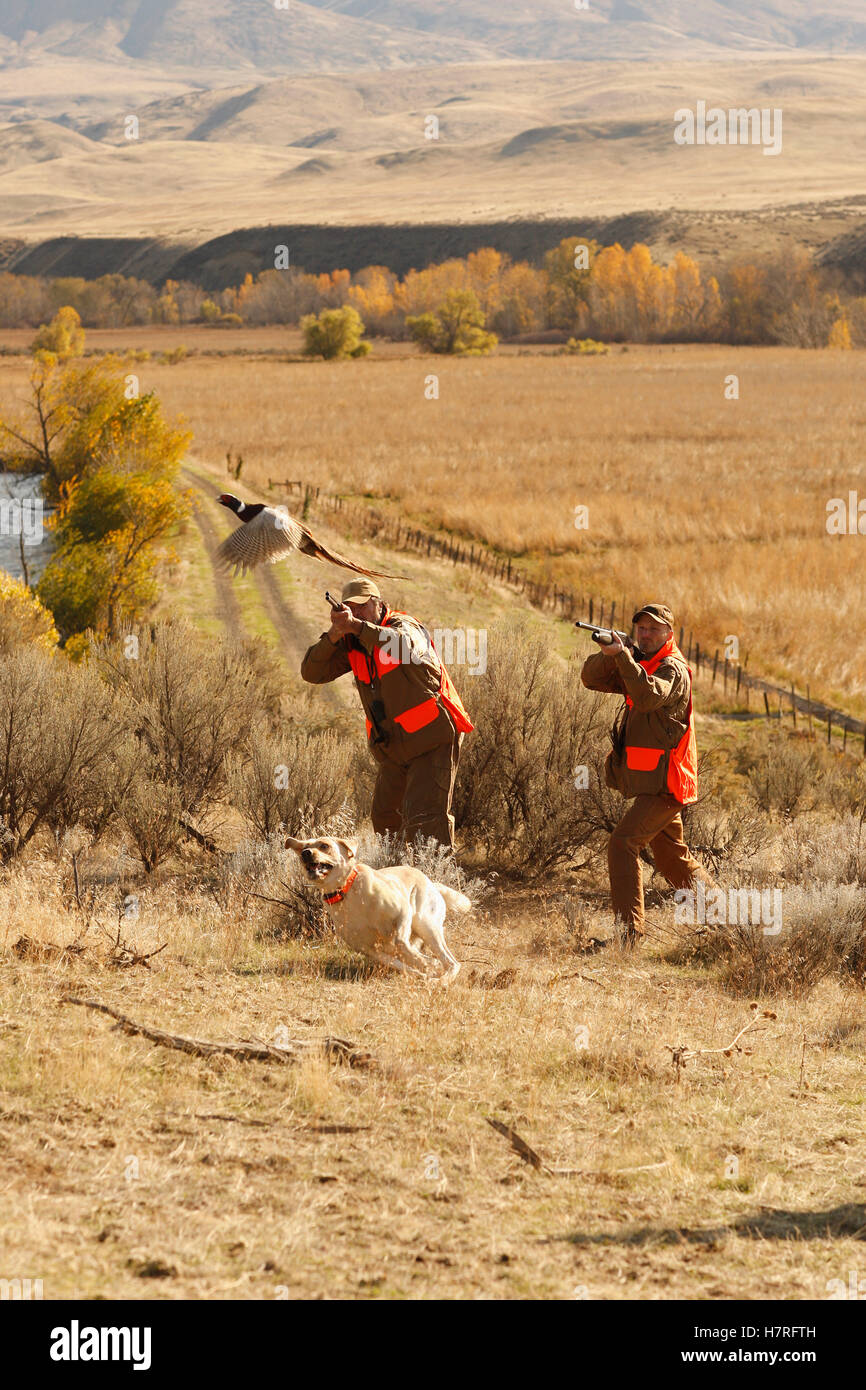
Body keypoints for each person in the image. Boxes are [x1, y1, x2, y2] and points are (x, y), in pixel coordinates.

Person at [300, 579, 473, 852]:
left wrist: (356, 627)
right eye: (351, 608)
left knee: (426, 820)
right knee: (385, 817)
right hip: (394, 747)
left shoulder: (405, 626)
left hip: (432, 738)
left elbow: (404, 647)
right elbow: (311, 672)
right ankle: (395, 874)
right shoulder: (352, 641)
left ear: (378, 604)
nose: (357, 613)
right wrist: (335, 633)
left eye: (362, 607)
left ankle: (437, 876)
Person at [580, 603, 707, 946]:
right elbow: (591, 679)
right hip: (651, 780)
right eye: (641, 629)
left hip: (667, 783)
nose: (646, 634)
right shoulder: (641, 662)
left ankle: (628, 937)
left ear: (669, 633)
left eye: (653, 629)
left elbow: (649, 696)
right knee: (673, 860)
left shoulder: (672, 669)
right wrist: (613, 653)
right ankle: (728, 920)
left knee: (623, 843)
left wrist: (624, 657)